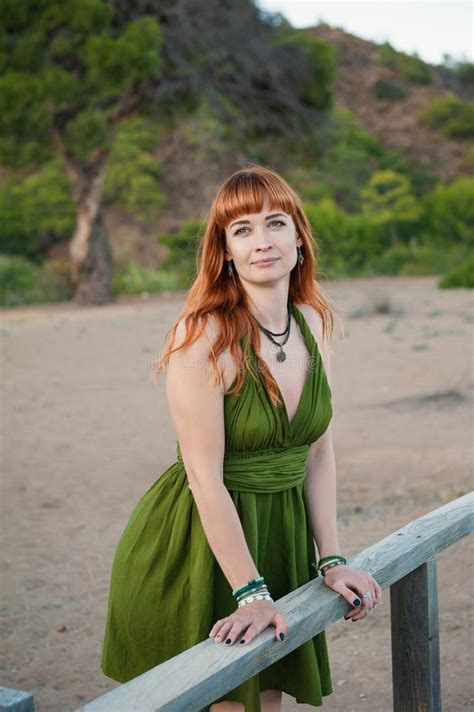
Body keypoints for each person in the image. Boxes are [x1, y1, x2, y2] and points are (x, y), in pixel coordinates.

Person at [100, 164, 382, 711]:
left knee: (266, 702)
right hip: (201, 547)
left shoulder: (311, 323)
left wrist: (332, 558)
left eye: (275, 223)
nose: (262, 242)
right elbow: (204, 478)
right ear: (225, 250)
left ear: (299, 236)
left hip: (279, 535)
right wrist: (249, 591)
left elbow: (317, 449)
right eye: (242, 230)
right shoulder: (202, 337)